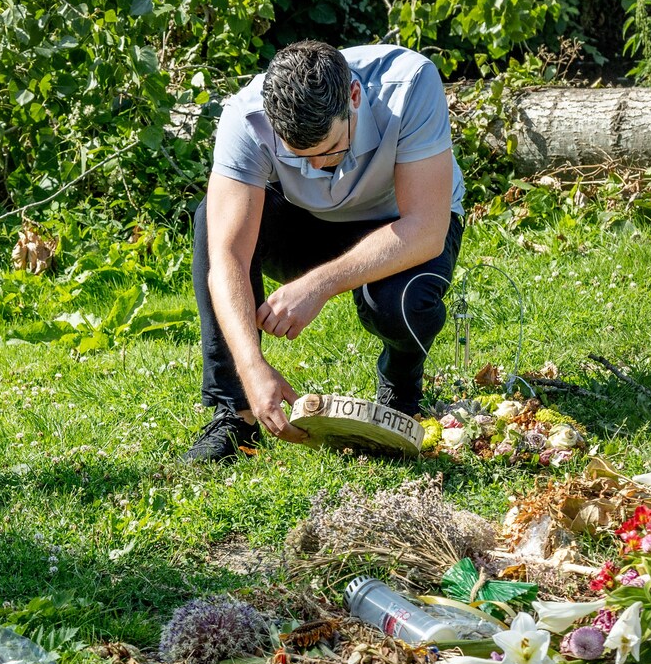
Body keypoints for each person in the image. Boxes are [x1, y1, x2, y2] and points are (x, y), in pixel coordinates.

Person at [185, 39, 464, 463]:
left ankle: (401, 383)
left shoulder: (410, 83)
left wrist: (320, 285)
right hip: (304, 224)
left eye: (330, 150)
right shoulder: (244, 116)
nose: (318, 167)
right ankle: (236, 413)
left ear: (354, 97)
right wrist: (252, 367)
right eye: (299, 156)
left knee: (398, 302)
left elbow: (426, 228)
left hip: (400, 223)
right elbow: (228, 257)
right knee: (213, 220)